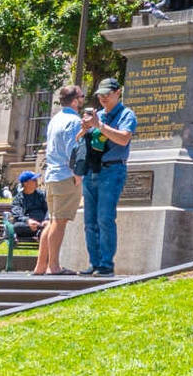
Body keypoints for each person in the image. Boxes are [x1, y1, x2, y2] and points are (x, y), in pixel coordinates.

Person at [79, 77, 137, 276]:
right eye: (100, 95)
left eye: (107, 94)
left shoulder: (126, 114)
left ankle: (106, 264)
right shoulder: (97, 115)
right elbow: (78, 141)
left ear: (118, 92)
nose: (103, 98)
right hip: (91, 170)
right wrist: (84, 128)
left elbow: (123, 138)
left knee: (105, 218)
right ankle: (94, 262)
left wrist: (100, 126)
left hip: (112, 171)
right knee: (90, 221)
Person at [36, 84, 83, 276]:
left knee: (53, 220)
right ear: (74, 100)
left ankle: (40, 266)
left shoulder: (55, 119)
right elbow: (74, 149)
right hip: (66, 175)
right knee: (60, 222)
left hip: (52, 175)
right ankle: (54, 266)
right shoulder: (73, 120)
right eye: (81, 96)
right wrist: (77, 173)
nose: (83, 99)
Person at [0, 172, 46, 252]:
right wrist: (28, 221)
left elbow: (49, 209)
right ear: (26, 183)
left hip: (42, 223)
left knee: (50, 226)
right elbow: (17, 214)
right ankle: (39, 232)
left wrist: (46, 220)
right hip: (27, 225)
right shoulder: (19, 198)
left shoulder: (41, 195)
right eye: (34, 180)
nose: (36, 181)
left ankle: (40, 231)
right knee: (16, 226)